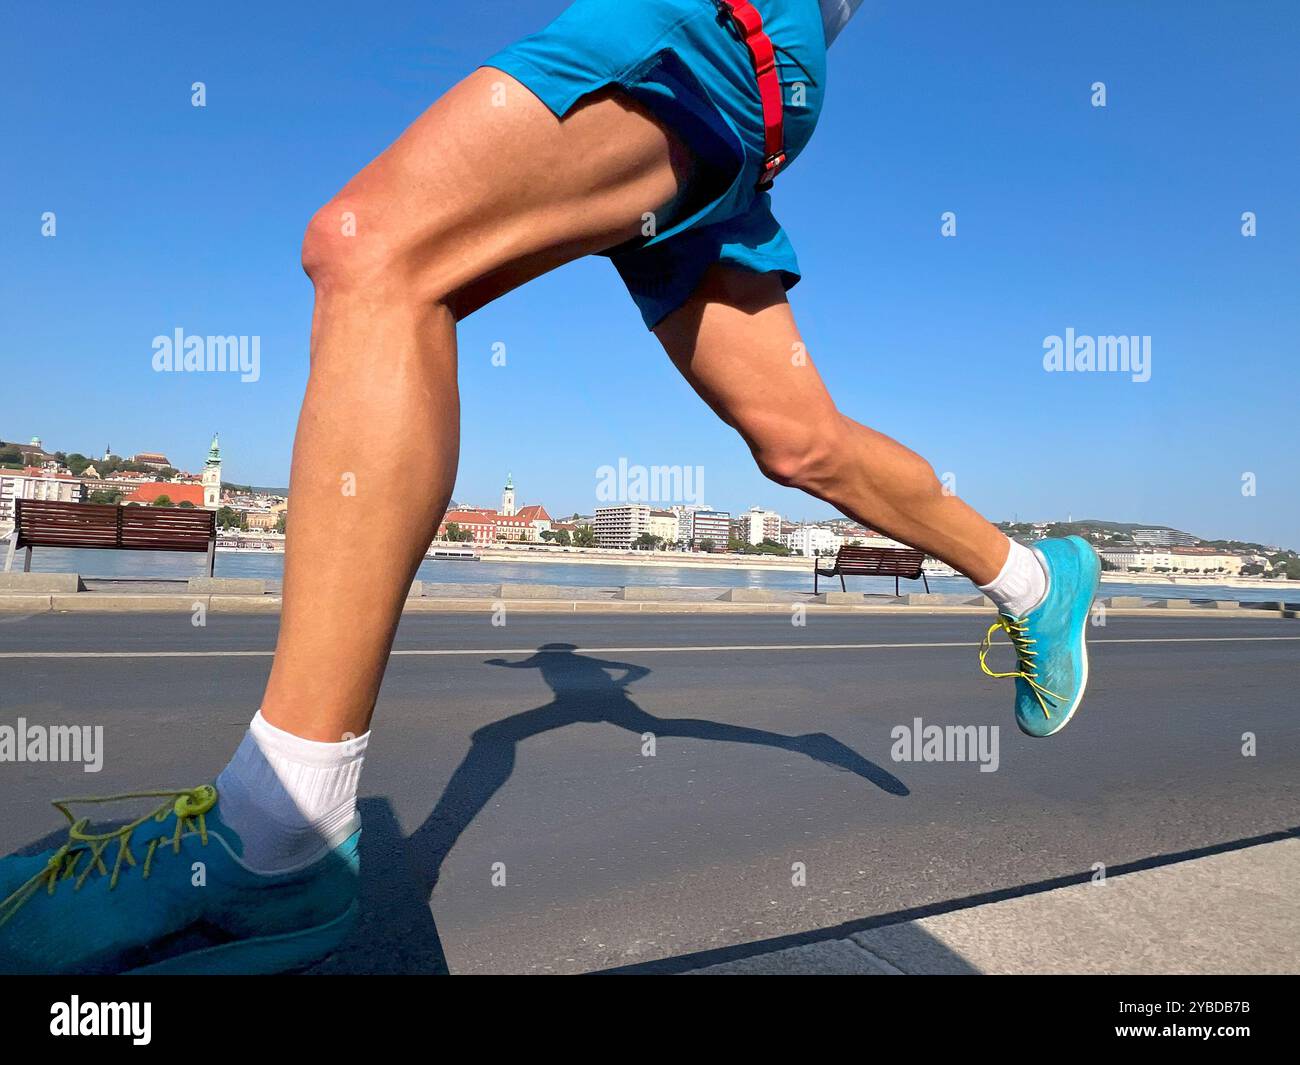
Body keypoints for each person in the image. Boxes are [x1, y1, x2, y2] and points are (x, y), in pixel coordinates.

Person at [0, 0, 1099, 974]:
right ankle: (1030, 577)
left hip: (709, 26)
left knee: (372, 248)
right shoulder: (580, 677)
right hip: (751, 77)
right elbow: (554, 712)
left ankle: (274, 835)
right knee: (797, 443)